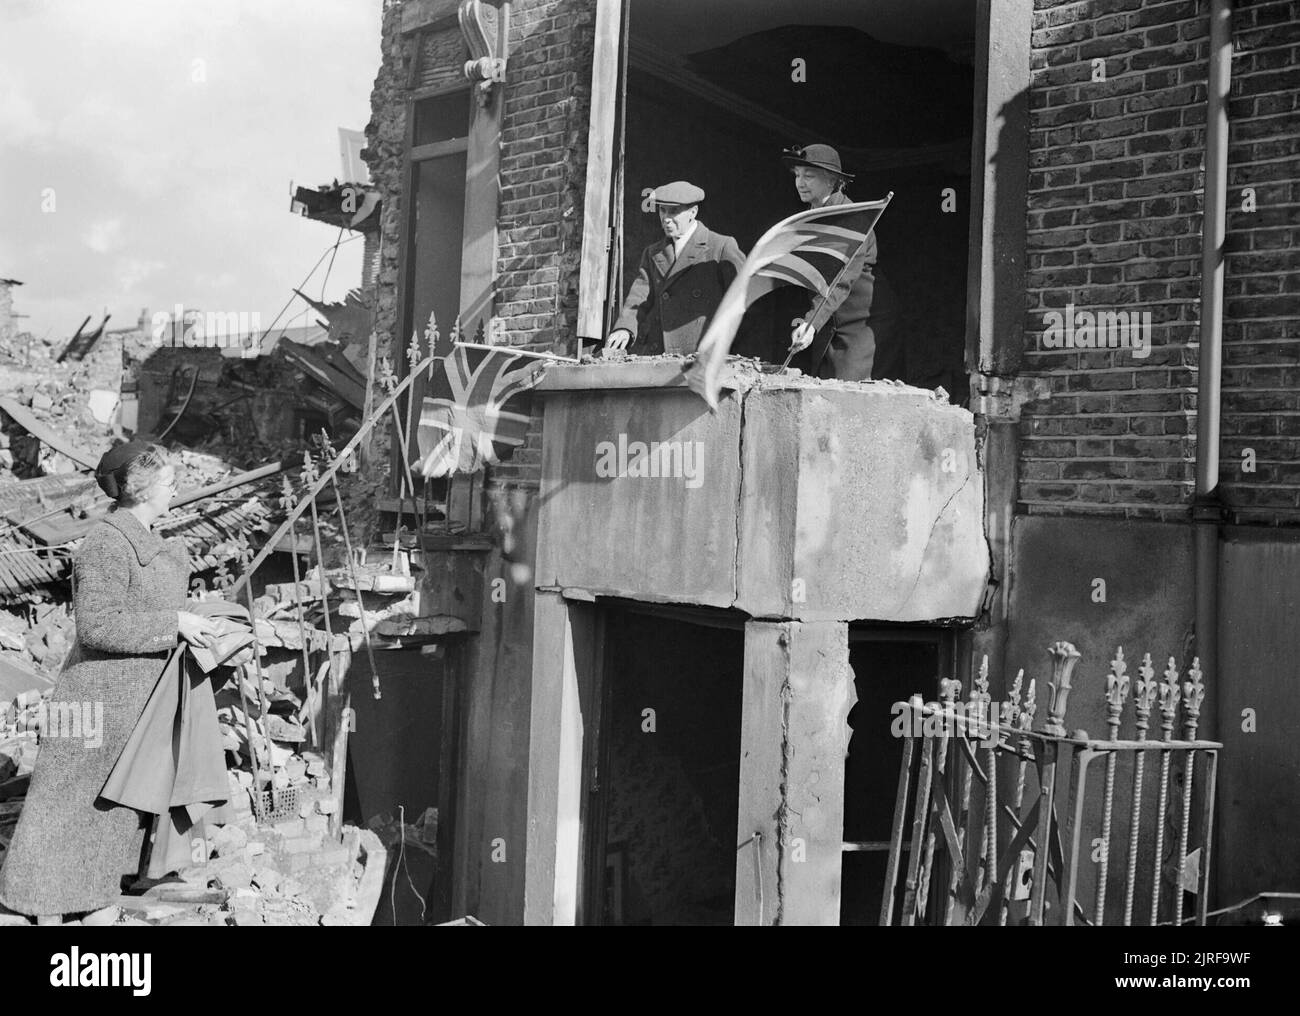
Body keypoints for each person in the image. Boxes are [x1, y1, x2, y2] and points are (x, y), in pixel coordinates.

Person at [0, 442, 221, 925]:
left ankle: (91, 901)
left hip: (137, 701)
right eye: (167, 481)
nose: (175, 488)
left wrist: (197, 618)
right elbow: (97, 625)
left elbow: (150, 613)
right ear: (140, 489)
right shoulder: (105, 543)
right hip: (94, 701)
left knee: (110, 816)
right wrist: (173, 623)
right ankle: (33, 905)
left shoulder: (153, 542)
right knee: (63, 812)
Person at [781, 144, 899, 382]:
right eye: (797, 176)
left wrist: (811, 323)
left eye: (809, 176)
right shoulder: (810, 216)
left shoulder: (852, 220)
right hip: (831, 319)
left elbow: (840, 279)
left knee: (850, 391)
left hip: (864, 324)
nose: (800, 183)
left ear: (831, 181)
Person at [605, 181, 746, 357]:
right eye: (662, 210)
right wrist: (625, 327)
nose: (666, 218)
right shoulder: (653, 253)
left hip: (704, 354)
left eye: (673, 212)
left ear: (693, 213)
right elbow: (638, 298)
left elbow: (745, 299)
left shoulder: (721, 246)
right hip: (661, 354)